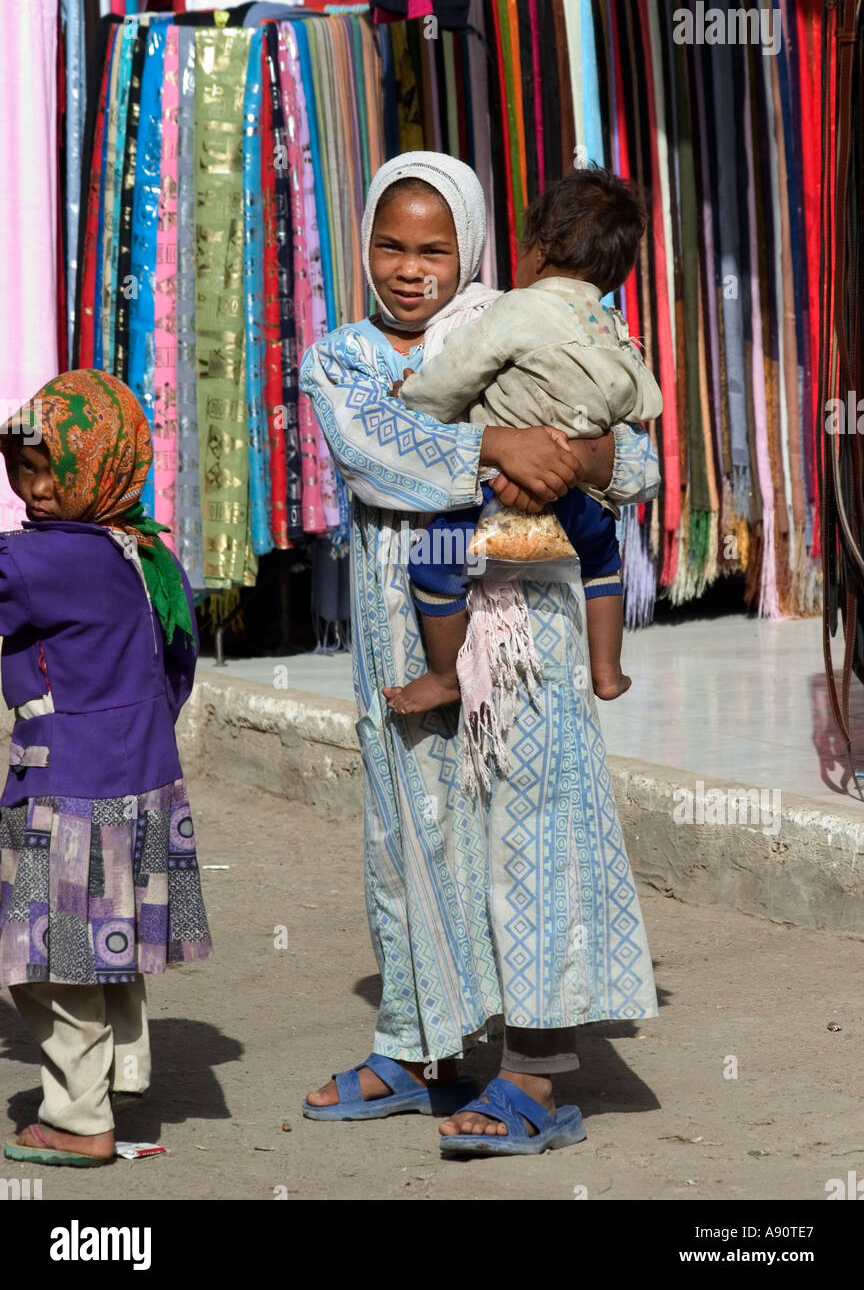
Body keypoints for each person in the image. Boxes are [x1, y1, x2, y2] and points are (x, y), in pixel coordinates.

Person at [299, 152, 659, 1156]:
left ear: (476, 248)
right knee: (413, 842)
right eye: (391, 244)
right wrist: (499, 446)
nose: (412, 267)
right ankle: (420, 1048)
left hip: (525, 637)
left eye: (435, 247)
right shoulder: (339, 359)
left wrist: (576, 454)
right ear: (364, 245)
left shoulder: (537, 315)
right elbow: (383, 457)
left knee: (534, 838)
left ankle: (539, 1075)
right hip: (404, 630)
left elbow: (637, 456)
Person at [0, 370, 211, 1168]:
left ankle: (79, 1117)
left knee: (44, 961)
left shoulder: (41, 561)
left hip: (67, 781)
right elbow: (177, 667)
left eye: (55, 466)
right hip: (142, 778)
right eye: (24, 466)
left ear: (101, 464)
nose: (38, 486)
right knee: (103, 934)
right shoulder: (147, 552)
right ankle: (126, 1065)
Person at [384, 166, 662, 714]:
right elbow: (643, 410)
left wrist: (414, 396)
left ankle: (444, 675)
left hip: (497, 498)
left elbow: (456, 374)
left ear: (538, 248)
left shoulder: (516, 308)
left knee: (433, 563)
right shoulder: (612, 327)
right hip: (584, 508)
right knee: (603, 563)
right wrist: (583, 455)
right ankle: (607, 671)